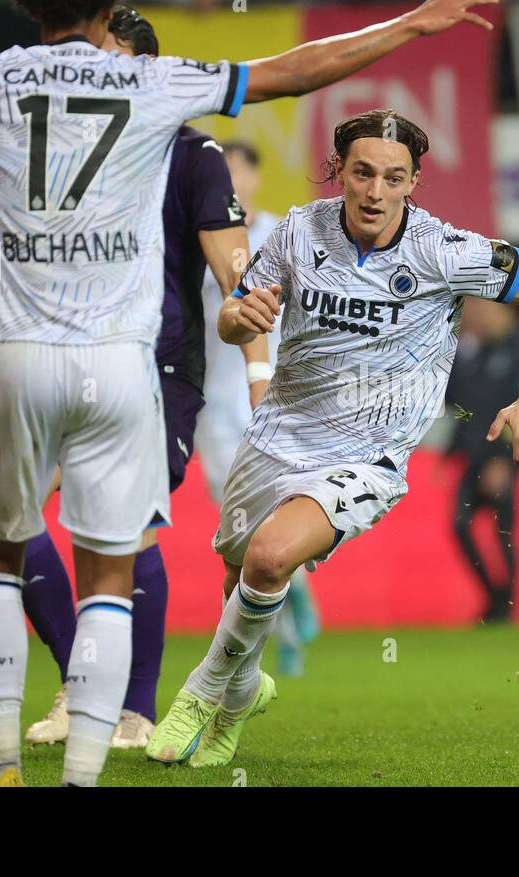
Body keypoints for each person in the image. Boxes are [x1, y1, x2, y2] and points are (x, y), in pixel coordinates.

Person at [0, 0, 501, 787]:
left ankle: (2, 767)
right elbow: (294, 72)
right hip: (121, 366)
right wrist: (409, 25)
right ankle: (86, 772)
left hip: (20, 352)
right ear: (107, 13)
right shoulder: (152, 86)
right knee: (112, 569)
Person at [145, 108, 519, 769]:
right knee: (240, 577)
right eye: (364, 173)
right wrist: (238, 317)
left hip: (367, 455)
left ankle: (203, 692)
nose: (376, 191)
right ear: (338, 170)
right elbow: (237, 316)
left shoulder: (443, 250)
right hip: (278, 432)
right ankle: (242, 690)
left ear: (413, 182)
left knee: (267, 558)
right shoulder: (295, 231)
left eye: (394, 178)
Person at [0, 6, 270, 751]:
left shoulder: (193, 156)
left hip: (158, 366)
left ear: (142, 73)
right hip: (59, 355)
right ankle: (85, 687)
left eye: (112, 62)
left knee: (125, 529)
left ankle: (133, 708)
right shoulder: (69, 152)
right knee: (6, 521)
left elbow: (237, 275)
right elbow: (50, 286)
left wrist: (258, 363)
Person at [194, 140, 320, 678]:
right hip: (212, 399)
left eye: (236, 169)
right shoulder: (200, 237)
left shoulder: (280, 233)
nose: (229, 180)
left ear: (255, 176)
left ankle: (285, 625)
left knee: (269, 516)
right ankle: (294, 604)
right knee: (238, 518)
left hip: (271, 393)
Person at [444, 299, 519, 623]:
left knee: (503, 531)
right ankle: (494, 596)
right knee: (459, 525)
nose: (478, 316)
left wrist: (505, 460)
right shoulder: (474, 352)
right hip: (473, 459)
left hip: (501, 458)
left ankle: (508, 605)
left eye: (484, 309)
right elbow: (458, 405)